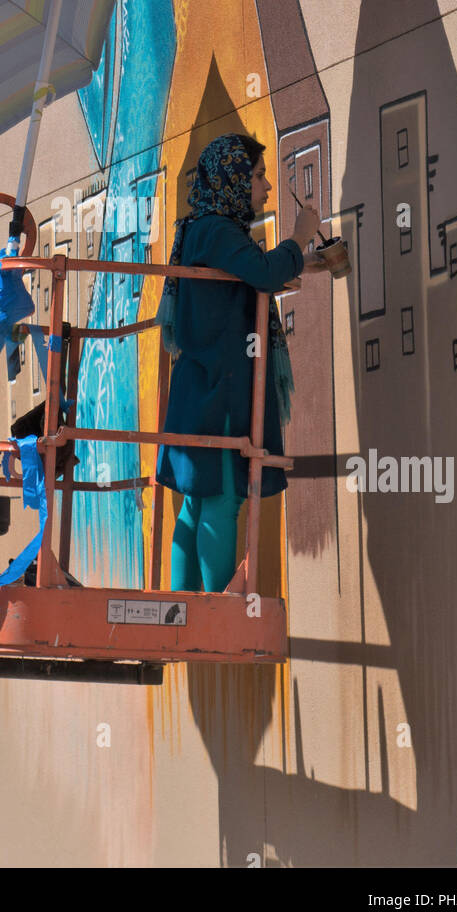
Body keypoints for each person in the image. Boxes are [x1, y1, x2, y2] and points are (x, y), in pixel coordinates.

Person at [154, 132, 323, 593]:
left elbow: (251, 270)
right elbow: (265, 272)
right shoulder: (218, 231)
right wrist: (300, 236)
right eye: (258, 176)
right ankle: (218, 611)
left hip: (201, 388)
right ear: (231, 179)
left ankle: (183, 607)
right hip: (221, 394)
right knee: (225, 498)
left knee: (195, 503)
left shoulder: (200, 229)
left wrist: (307, 259)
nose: (266, 187)